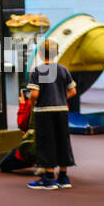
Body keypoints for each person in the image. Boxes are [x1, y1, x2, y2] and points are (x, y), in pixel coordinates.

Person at [25, 39, 77, 189]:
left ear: (40, 54)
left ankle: (48, 178)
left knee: (47, 141)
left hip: (44, 111)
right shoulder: (63, 69)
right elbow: (73, 91)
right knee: (62, 141)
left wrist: (31, 101)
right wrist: (61, 98)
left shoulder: (38, 70)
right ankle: (63, 177)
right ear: (58, 53)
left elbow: (35, 94)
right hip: (61, 110)